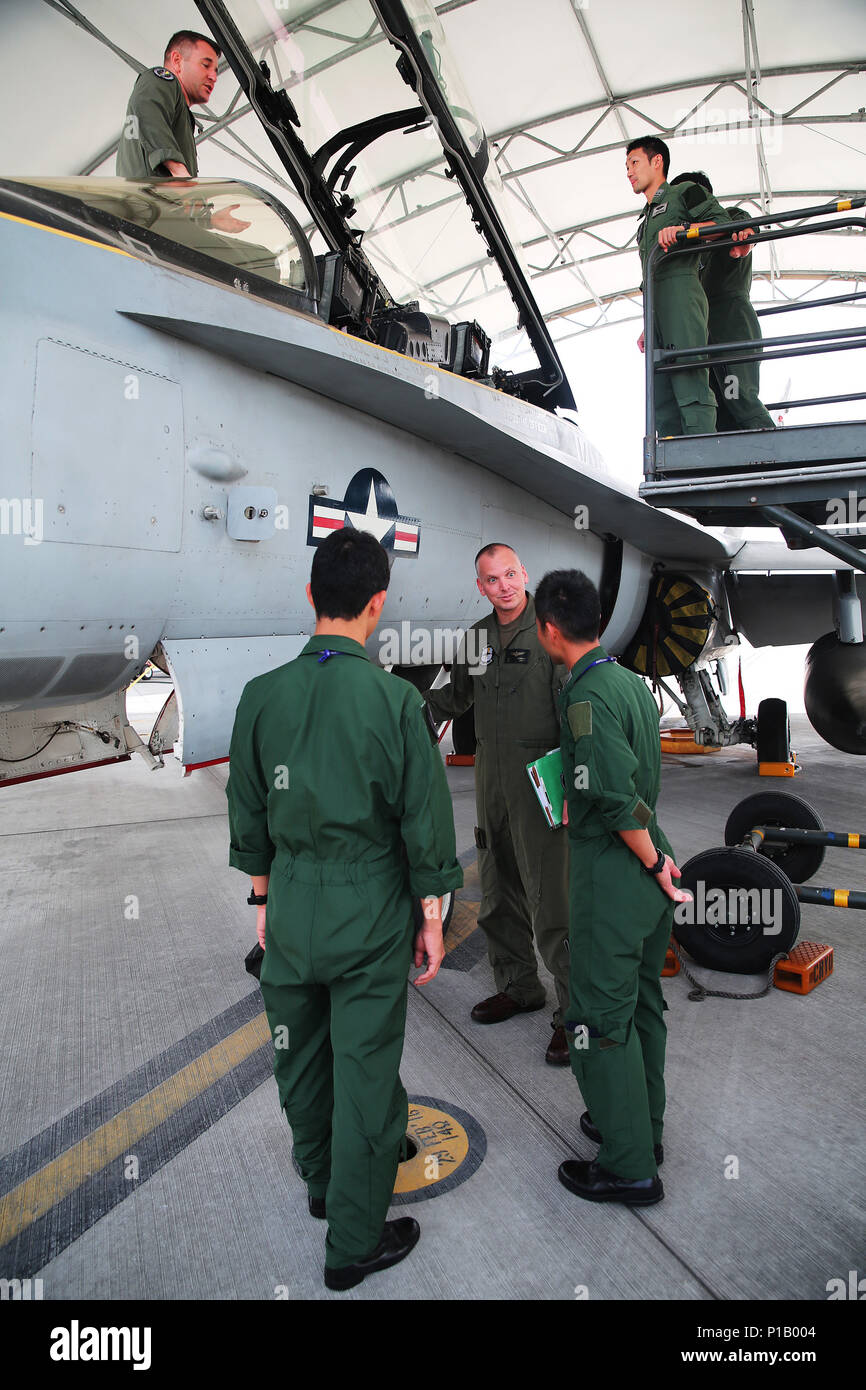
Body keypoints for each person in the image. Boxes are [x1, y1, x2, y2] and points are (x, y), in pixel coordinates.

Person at [227, 528, 462, 1291]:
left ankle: (323, 1182)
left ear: (309, 596)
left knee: (299, 1055)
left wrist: (264, 901)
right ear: (377, 605)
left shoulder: (260, 696)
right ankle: (354, 1243)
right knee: (364, 1070)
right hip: (370, 910)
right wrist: (432, 919)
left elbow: (249, 814)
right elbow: (425, 825)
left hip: (293, 899)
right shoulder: (397, 701)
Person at [534, 569, 690, 1206]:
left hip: (617, 875)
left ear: (549, 630)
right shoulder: (627, 682)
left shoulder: (586, 698)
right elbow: (623, 780)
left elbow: (620, 803)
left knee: (597, 1022)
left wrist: (651, 864)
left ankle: (628, 1167)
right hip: (649, 874)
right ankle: (641, 1128)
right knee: (642, 1005)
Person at [424, 543, 571, 1066]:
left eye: (510, 575)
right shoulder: (476, 639)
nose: (503, 586)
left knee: (552, 897)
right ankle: (519, 985)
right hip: (491, 778)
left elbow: (575, 710)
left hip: (542, 776)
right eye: (492, 579)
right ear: (480, 586)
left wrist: (576, 782)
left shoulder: (553, 632)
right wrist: (399, 708)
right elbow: (453, 699)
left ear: (524, 574)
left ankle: (576, 1013)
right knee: (498, 885)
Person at [627, 135, 731, 436]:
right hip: (655, 305)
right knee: (661, 393)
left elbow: (722, 224)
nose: (629, 172)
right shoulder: (646, 219)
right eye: (627, 167)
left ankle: (703, 452)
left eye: (634, 163)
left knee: (689, 381)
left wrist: (685, 230)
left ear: (657, 161)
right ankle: (671, 456)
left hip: (681, 294)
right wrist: (648, 323)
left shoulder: (684, 192)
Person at [670, 172, 775, 431]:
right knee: (717, 408)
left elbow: (744, 226)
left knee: (740, 399)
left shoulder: (727, 218)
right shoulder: (692, 244)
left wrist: (746, 238)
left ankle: (778, 450)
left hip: (731, 326)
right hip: (703, 333)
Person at [117, 31, 220, 180]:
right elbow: (147, 106)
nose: (213, 77)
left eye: (215, 71)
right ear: (177, 61)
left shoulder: (179, 115)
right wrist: (178, 170)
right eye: (205, 65)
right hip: (153, 194)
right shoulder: (160, 79)